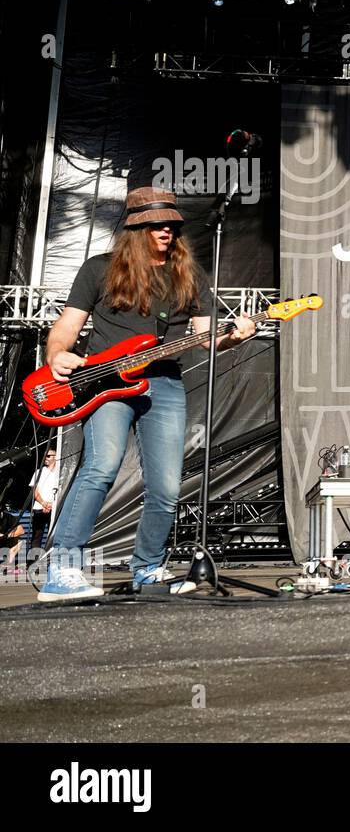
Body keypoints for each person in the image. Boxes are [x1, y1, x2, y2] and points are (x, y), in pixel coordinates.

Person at [38, 188, 255, 603]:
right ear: (136, 229)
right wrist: (57, 354)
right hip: (106, 382)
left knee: (167, 486)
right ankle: (63, 571)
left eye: (171, 224)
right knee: (101, 467)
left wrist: (236, 336)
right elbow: (67, 327)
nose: (166, 231)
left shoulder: (189, 276)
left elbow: (207, 340)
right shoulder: (98, 270)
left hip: (164, 383)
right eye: (156, 224)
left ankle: (148, 569)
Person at [29, 447, 59, 552]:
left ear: (56, 457)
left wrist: (52, 505)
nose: (45, 458)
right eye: (45, 455)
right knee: (37, 535)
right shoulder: (39, 472)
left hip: (54, 508)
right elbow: (34, 491)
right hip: (39, 508)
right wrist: (44, 503)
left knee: (55, 535)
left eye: (49, 456)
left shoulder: (61, 472)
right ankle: (34, 562)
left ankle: (52, 560)